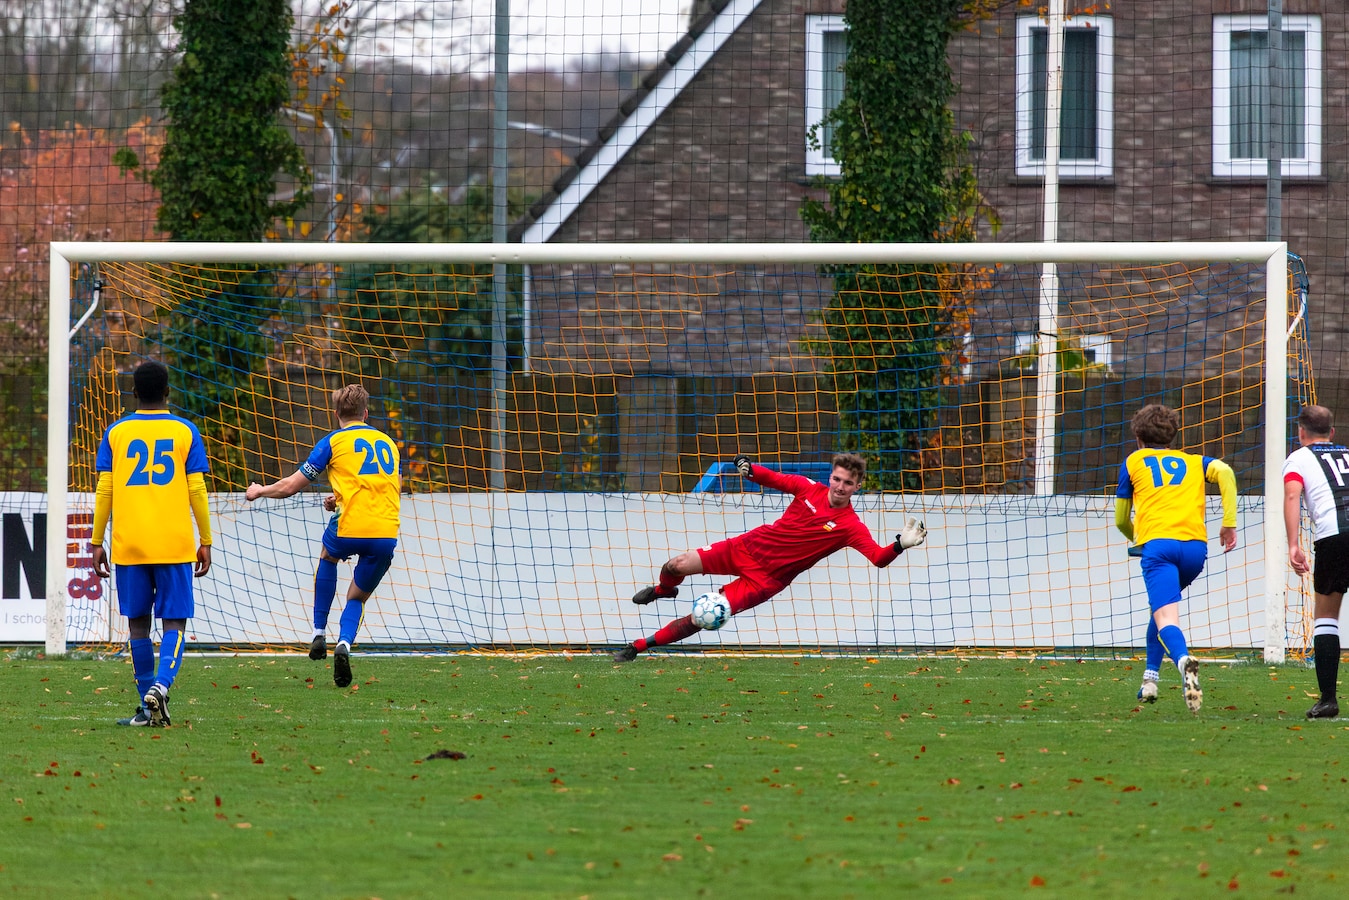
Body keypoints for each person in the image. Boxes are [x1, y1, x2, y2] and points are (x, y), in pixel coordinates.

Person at [614, 452, 927, 661]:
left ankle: (640, 646)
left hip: (766, 580)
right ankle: (663, 590)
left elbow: (877, 557)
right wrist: (750, 470)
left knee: (704, 618)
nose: (840, 486)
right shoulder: (808, 488)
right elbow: (774, 478)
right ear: (830, 477)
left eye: (848, 483)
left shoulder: (850, 527)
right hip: (746, 547)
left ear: (857, 487)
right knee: (675, 565)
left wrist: (900, 544)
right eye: (837, 479)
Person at [245, 384, 400, 688]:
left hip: (349, 527)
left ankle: (319, 632)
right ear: (365, 413)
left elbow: (290, 486)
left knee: (328, 555)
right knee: (357, 596)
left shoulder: (333, 441)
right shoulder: (388, 443)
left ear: (336, 414)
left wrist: (259, 490)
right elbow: (386, 487)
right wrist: (338, 497)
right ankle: (345, 643)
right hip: (385, 531)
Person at [91, 360, 213, 727]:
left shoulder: (116, 432)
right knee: (175, 622)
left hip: (131, 545)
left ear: (133, 393)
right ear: (167, 392)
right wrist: (205, 540)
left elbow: (105, 489)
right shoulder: (186, 431)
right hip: (174, 544)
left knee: (138, 627)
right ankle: (160, 687)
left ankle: (147, 709)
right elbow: (196, 488)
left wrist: (97, 540)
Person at [1115, 404, 1237, 713]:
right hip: (1195, 550)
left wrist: (1139, 541)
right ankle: (1150, 680)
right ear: (1172, 436)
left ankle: (1184, 661)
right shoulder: (1194, 462)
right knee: (1160, 610)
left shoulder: (1134, 461)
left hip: (1160, 548)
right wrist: (1229, 522)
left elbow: (1120, 520)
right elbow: (1225, 471)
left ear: (1138, 437)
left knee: (1167, 617)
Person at [1282, 405, 1346, 720]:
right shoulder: (1347, 453)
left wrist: (1293, 544)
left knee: (1326, 617)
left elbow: (1293, 495)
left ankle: (1328, 700)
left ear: (1301, 432)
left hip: (1333, 537)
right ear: (1332, 433)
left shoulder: (1298, 459)